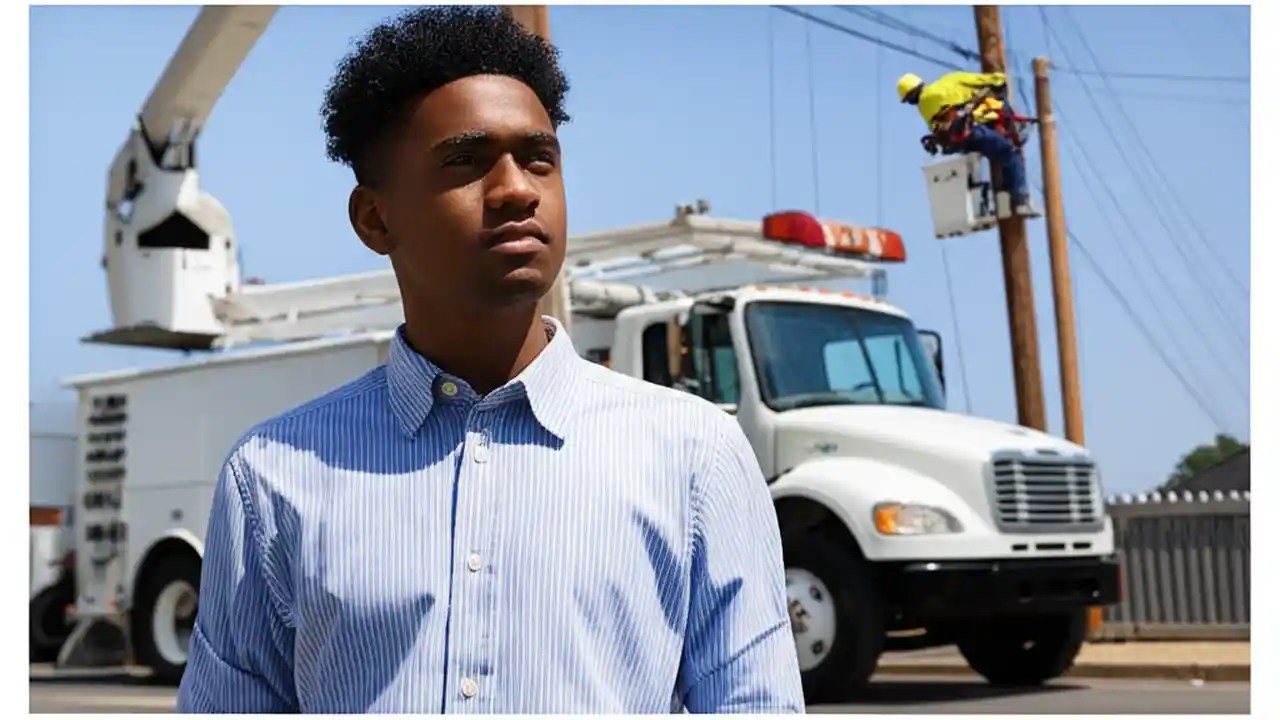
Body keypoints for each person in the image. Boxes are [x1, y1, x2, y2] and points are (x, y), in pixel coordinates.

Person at [175, 6, 804, 715]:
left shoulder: (695, 457)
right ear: (374, 219)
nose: (517, 189)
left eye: (540, 159)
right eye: (466, 162)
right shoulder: (272, 476)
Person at [897, 70, 1032, 213]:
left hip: (960, 143)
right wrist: (996, 80)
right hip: (973, 130)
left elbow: (939, 129)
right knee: (1010, 154)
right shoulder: (951, 80)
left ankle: (999, 197)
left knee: (994, 154)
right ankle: (1020, 198)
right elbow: (997, 80)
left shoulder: (923, 107)